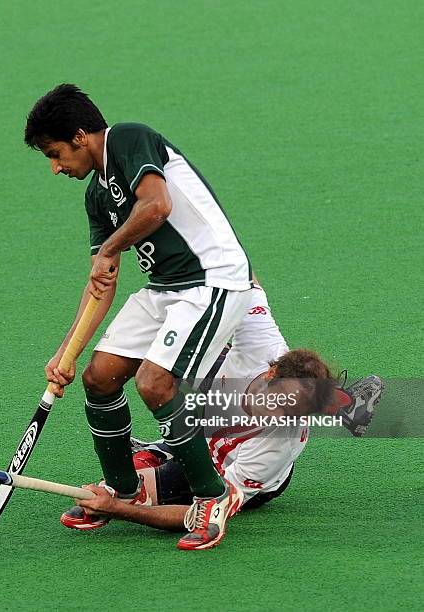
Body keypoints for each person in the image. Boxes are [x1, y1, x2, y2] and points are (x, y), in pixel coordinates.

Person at [25, 83, 255, 550]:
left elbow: (157, 205)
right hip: (164, 290)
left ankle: (211, 498)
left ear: (80, 135)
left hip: (213, 280)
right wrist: (66, 353)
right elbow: (101, 283)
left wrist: (111, 247)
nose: (55, 168)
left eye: (55, 154)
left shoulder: (129, 139)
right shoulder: (96, 198)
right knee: (99, 377)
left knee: (155, 382)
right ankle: (124, 489)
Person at [71, 284, 384, 544]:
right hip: (213, 418)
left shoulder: (280, 442)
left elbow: (206, 510)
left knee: (137, 491)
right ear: (271, 370)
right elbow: (246, 282)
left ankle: (157, 456)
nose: (277, 416)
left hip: (237, 467)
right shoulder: (263, 343)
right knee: (185, 352)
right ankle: (161, 450)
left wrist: (116, 508)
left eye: (290, 413)